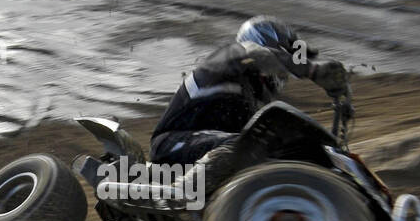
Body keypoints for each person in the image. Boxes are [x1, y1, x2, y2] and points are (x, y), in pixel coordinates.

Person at [150, 16, 351, 167]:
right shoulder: (229, 58)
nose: (284, 74)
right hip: (171, 145)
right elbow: (255, 53)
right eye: (285, 56)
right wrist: (311, 69)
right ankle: (178, 198)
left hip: (201, 152)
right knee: (247, 145)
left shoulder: (251, 97)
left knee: (273, 149)